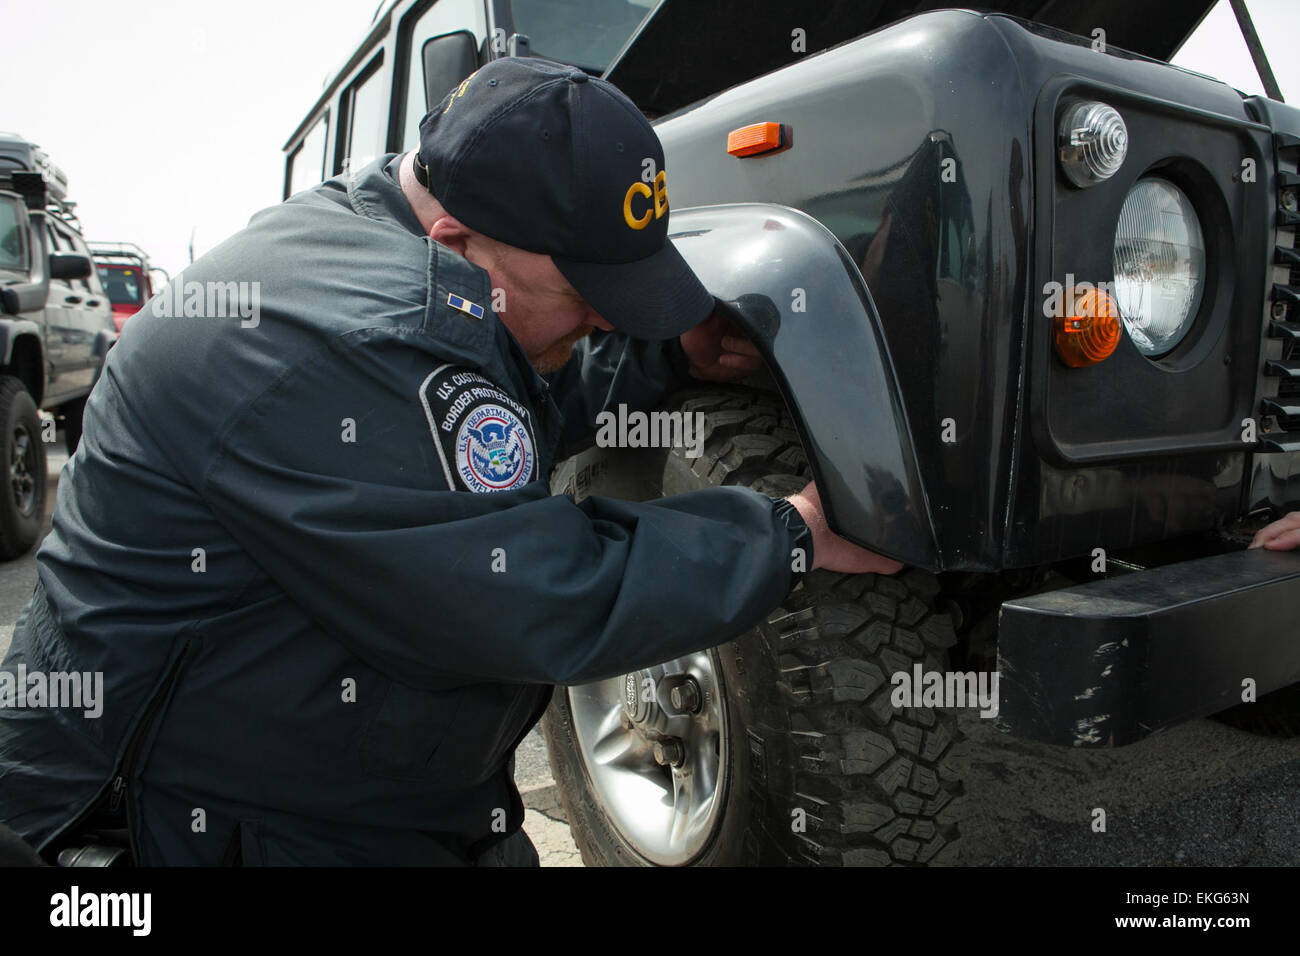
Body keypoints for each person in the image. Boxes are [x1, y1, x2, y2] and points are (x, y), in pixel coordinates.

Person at [0, 57, 897, 866]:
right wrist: (785, 535)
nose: (608, 320)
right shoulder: (348, 337)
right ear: (456, 242)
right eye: (588, 296)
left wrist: (668, 355)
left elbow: (508, 402)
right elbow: (536, 594)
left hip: (322, 777)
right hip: (178, 823)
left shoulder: (391, 235)